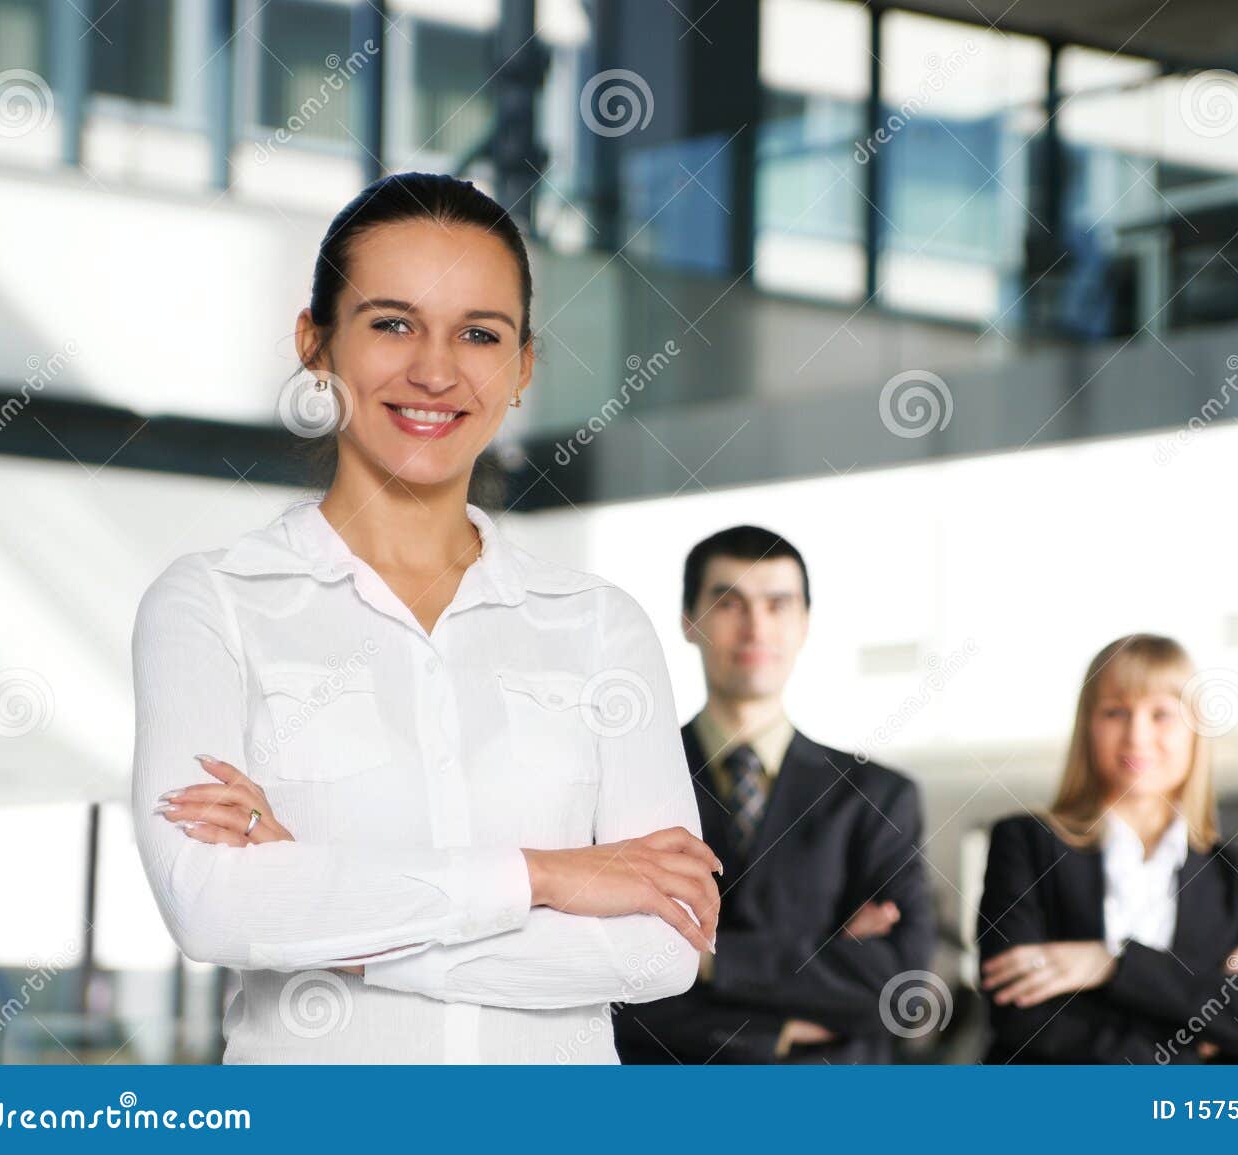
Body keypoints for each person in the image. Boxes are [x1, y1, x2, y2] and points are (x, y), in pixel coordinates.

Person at [130, 172, 721, 1064]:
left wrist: (337, 925)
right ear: (316, 342)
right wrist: (547, 876)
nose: (435, 372)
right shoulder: (213, 604)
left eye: (479, 334)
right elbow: (212, 905)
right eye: (392, 324)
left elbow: (661, 945)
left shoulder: (600, 628)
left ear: (523, 367)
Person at [613, 526, 935, 1063]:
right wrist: (809, 983)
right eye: (728, 603)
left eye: (777, 604)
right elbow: (602, 977)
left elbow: (902, 984)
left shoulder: (878, 797)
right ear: (689, 621)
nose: (755, 627)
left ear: (804, 623)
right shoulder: (628, 781)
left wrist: (707, 959)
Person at [977, 634, 1238, 1064]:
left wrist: (1111, 964)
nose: (1137, 735)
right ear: (1087, 727)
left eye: (1161, 714)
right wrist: (1196, 1033)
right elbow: (1020, 1015)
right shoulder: (1026, 844)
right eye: (1115, 712)